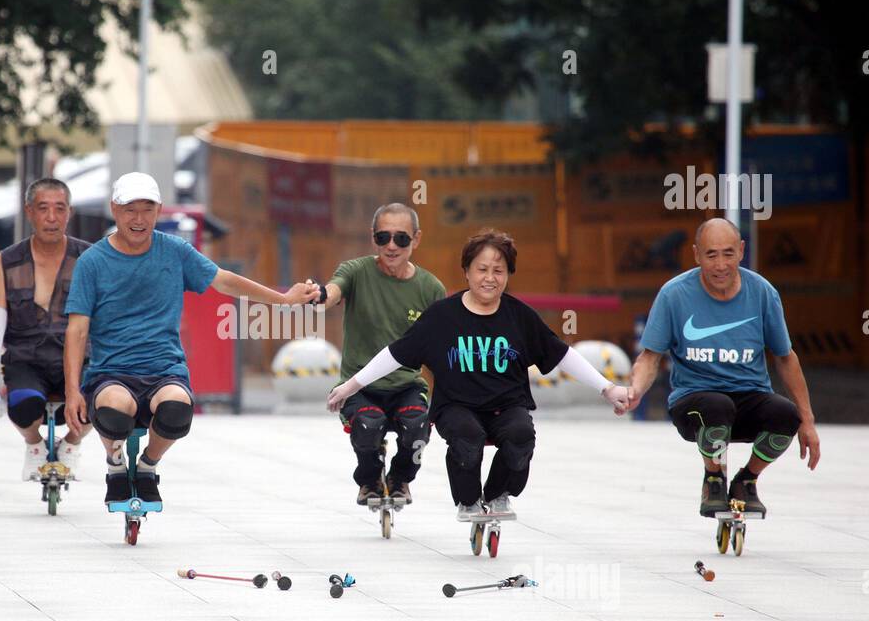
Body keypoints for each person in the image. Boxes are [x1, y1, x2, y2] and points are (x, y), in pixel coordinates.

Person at [328, 229, 631, 525]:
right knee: (467, 438)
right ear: (467, 272)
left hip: (507, 406)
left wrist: (607, 388)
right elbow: (395, 354)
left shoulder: (520, 316)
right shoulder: (442, 316)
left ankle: (499, 493)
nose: (489, 278)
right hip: (457, 407)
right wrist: (350, 386)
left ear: (508, 275)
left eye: (498, 271)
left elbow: (562, 354)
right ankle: (469, 499)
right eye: (482, 269)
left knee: (521, 436)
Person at [63, 171, 319, 505]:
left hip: (163, 369)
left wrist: (283, 299)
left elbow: (224, 281)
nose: (139, 219)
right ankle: (114, 463)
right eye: (130, 210)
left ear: (159, 210)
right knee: (114, 409)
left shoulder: (174, 251)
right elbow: (77, 330)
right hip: (112, 371)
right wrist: (72, 392)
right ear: (114, 209)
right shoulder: (93, 262)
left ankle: (147, 465)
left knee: (177, 409)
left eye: (147, 209)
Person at [626, 218, 820, 516]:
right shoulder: (674, 294)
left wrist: (807, 421)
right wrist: (636, 390)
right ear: (696, 255)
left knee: (786, 416)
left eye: (728, 254)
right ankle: (714, 478)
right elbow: (650, 356)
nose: (720, 265)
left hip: (748, 396)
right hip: (696, 401)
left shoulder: (762, 293)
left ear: (741, 251)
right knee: (717, 407)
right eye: (711, 255)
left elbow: (785, 357)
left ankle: (746, 480)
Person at [316, 202, 446, 504]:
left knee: (417, 429)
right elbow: (332, 291)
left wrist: (450, 398)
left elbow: (442, 349)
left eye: (401, 238)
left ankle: (400, 478)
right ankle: (370, 477)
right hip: (359, 386)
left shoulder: (431, 288)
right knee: (367, 425)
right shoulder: (356, 271)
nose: (391, 246)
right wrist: (320, 295)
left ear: (416, 239)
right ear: (373, 237)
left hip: (407, 386)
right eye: (382, 237)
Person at [0, 178, 90, 481]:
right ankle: (34, 445)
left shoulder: (90, 259)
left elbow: (106, 318)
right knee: (23, 405)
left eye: (59, 209)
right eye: (43, 208)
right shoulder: (7, 261)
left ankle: (72, 446)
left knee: (101, 400)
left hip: (79, 359)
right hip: (25, 359)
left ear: (69, 213)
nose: (51, 217)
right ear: (29, 212)